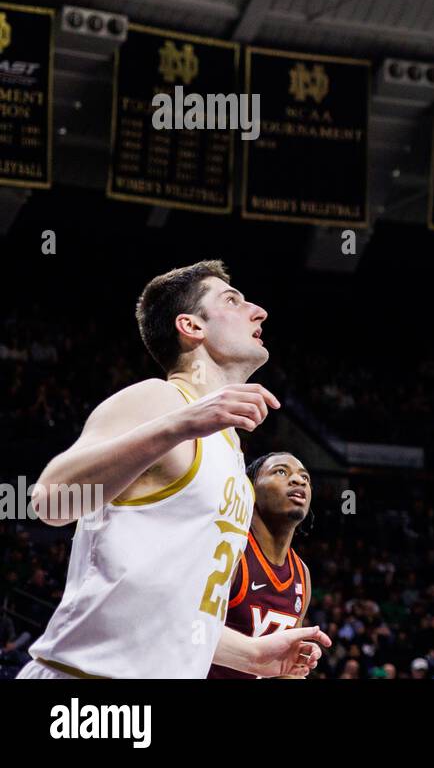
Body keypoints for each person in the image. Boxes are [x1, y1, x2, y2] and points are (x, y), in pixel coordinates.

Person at [20, 261, 329, 678]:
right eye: (232, 301)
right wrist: (177, 424)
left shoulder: (227, 447)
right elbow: (50, 501)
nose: (258, 311)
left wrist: (253, 655)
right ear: (191, 326)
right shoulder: (161, 400)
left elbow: (173, 610)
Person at [208, 452, 314, 678]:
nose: (299, 480)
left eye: (305, 477)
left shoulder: (301, 574)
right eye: (281, 471)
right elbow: (187, 627)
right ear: (250, 490)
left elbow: (286, 670)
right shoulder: (230, 550)